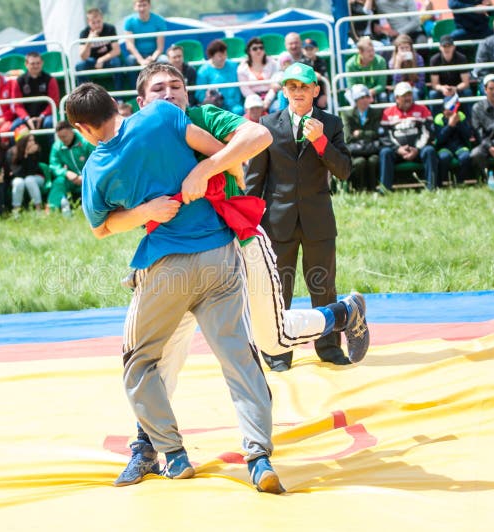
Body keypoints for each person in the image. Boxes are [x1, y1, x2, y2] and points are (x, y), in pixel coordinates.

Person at [108, 62, 369, 485]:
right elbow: (106, 209)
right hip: (173, 258)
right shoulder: (135, 136)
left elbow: (257, 136)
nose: (170, 92)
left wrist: (207, 168)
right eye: (159, 88)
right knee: (157, 353)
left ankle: (342, 314)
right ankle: (147, 443)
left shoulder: (202, 119)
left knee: (272, 339)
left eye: (177, 85)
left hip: (237, 242)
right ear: (142, 103)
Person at [67, 82, 285, 494]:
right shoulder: (163, 115)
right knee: (240, 358)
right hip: (220, 253)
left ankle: (173, 453)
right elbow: (213, 147)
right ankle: (259, 457)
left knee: (139, 362)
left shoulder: (96, 167)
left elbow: (101, 229)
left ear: (84, 129)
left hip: (167, 266)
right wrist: (214, 170)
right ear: (117, 104)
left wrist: (145, 211)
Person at [245, 63, 353, 369]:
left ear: (316, 90)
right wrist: (249, 224)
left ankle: (330, 348)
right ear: (284, 91)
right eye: (292, 87)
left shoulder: (330, 124)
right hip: (276, 222)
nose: (298, 92)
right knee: (279, 290)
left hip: (318, 219)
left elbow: (344, 170)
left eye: (304, 86)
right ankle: (278, 352)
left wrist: (322, 142)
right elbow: (254, 180)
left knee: (324, 286)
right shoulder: (266, 124)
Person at [379, 81, 439, 190]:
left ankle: (432, 188)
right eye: (404, 96)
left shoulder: (423, 110)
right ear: (396, 98)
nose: (407, 98)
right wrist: (398, 149)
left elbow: (429, 132)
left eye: (409, 95)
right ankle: (385, 189)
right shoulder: (387, 113)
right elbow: (385, 136)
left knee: (429, 150)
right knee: (385, 152)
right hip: (398, 152)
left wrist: (417, 148)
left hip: (419, 150)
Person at [49, 120, 94, 216]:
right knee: (59, 182)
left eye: (64, 136)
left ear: (71, 131)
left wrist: (86, 176)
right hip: (72, 179)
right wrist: (66, 173)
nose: (63, 140)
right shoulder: (57, 146)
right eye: (60, 137)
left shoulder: (85, 141)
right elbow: (54, 166)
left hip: (90, 178)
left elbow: (96, 161)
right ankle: (53, 210)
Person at [342, 84, 382, 191]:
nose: (364, 100)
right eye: (361, 98)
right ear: (355, 100)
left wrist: (360, 134)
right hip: (355, 152)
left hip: (371, 149)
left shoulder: (376, 112)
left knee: (374, 160)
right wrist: (368, 134)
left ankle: (373, 189)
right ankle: (359, 190)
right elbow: (348, 137)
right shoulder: (347, 114)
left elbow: (377, 133)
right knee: (359, 162)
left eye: (366, 97)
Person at [11, 52, 60, 133]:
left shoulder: (50, 80)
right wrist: (27, 118)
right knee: (15, 126)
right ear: (26, 64)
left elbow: (54, 102)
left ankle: (53, 146)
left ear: (42, 63)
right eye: (33, 63)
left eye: (38, 63)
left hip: (46, 116)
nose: (36, 66)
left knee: (50, 123)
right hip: (26, 117)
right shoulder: (19, 81)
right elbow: (17, 105)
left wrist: (42, 116)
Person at [123, 0, 167, 87]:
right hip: (137, 56)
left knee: (164, 60)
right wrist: (141, 60)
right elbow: (129, 45)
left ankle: (162, 88)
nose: (142, 8)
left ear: (149, 5)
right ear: (135, 7)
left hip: (154, 55)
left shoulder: (159, 20)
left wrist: (152, 59)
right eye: (139, 6)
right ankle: (134, 92)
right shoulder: (129, 21)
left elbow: (160, 47)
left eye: (144, 5)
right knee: (130, 60)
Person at [76, 7, 122, 90]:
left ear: (102, 19)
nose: (97, 25)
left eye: (99, 22)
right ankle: (85, 96)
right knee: (79, 66)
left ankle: (119, 98)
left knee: (117, 62)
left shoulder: (110, 29)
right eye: (93, 23)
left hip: (108, 59)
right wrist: (89, 41)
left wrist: (101, 59)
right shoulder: (84, 33)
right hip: (91, 60)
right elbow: (83, 57)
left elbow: (116, 50)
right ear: (88, 22)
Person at [195, 39, 244, 115]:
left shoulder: (234, 66)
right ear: (212, 56)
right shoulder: (203, 71)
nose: (223, 57)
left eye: (225, 54)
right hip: (215, 107)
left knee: (239, 110)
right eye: (220, 56)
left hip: (235, 105)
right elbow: (200, 94)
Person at [433, 94, 474, 185]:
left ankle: (459, 182)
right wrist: (450, 126)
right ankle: (442, 182)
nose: (450, 111)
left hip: (460, 145)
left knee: (465, 157)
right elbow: (440, 139)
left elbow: (467, 135)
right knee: (444, 157)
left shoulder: (461, 116)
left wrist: (458, 123)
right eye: (447, 108)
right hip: (444, 147)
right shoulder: (438, 119)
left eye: (452, 108)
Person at [428, 35, 473, 111]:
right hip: (442, 90)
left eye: (449, 46)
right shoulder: (434, 60)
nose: (447, 48)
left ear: (454, 47)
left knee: (467, 92)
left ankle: (469, 121)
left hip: (458, 88)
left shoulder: (462, 58)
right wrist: (442, 88)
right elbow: (434, 84)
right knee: (433, 94)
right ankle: (434, 121)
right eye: (444, 46)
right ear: (440, 47)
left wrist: (456, 88)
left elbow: (466, 83)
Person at [237, 37, 279, 112]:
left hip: (271, 97)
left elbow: (274, 85)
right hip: (252, 99)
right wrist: (258, 101)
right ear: (249, 51)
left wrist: (267, 101)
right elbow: (245, 89)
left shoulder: (272, 63)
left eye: (261, 48)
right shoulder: (242, 68)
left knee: (276, 108)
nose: (259, 50)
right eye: (255, 48)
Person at [9, 133, 46, 214]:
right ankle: (16, 210)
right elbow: (17, 173)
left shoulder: (36, 151)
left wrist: (30, 155)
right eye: (29, 140)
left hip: (36, 177)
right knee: (19, 182)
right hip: (19, 178)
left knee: (29, 180)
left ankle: (38, 209)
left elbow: (31, 171)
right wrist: (25, 155)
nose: (33, 143)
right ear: (22, 142)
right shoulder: (11, 152)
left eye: (33, 140)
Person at [345, 37, 389, 103]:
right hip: (358, 93)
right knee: (348, 95)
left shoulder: (380, 61)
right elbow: (351, 86)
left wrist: (371, 92)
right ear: (360, 52)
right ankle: (356, 113)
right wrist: (363, 94)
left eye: (372, 50)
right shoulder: (350, 64)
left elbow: (382, 85)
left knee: (383, 96)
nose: (372, 53)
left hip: (375, 92)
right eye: (368, 51)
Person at [390, 33, 426, 101]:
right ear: (397, 50)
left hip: (415, 87)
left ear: (411, 48)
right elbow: (396, 82)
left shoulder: (418, 59)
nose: (405, 50)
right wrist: (398, 65)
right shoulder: (392, 61)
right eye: (402, 48)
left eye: (407, 47)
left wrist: (410, 88)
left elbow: (421, 81)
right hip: (400, 89)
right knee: (393, 97)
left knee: (414, 93)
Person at [300, 38, 329, 109]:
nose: (309, 51)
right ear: (302, 50)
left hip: (319, 93)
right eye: (306, 49)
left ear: (316, 49)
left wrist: (326, 96)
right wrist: (313, 75)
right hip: (304, 94)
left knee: (331, 103)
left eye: (311, 49)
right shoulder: (300, 63)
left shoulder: (321, 62)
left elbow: (326, 80)